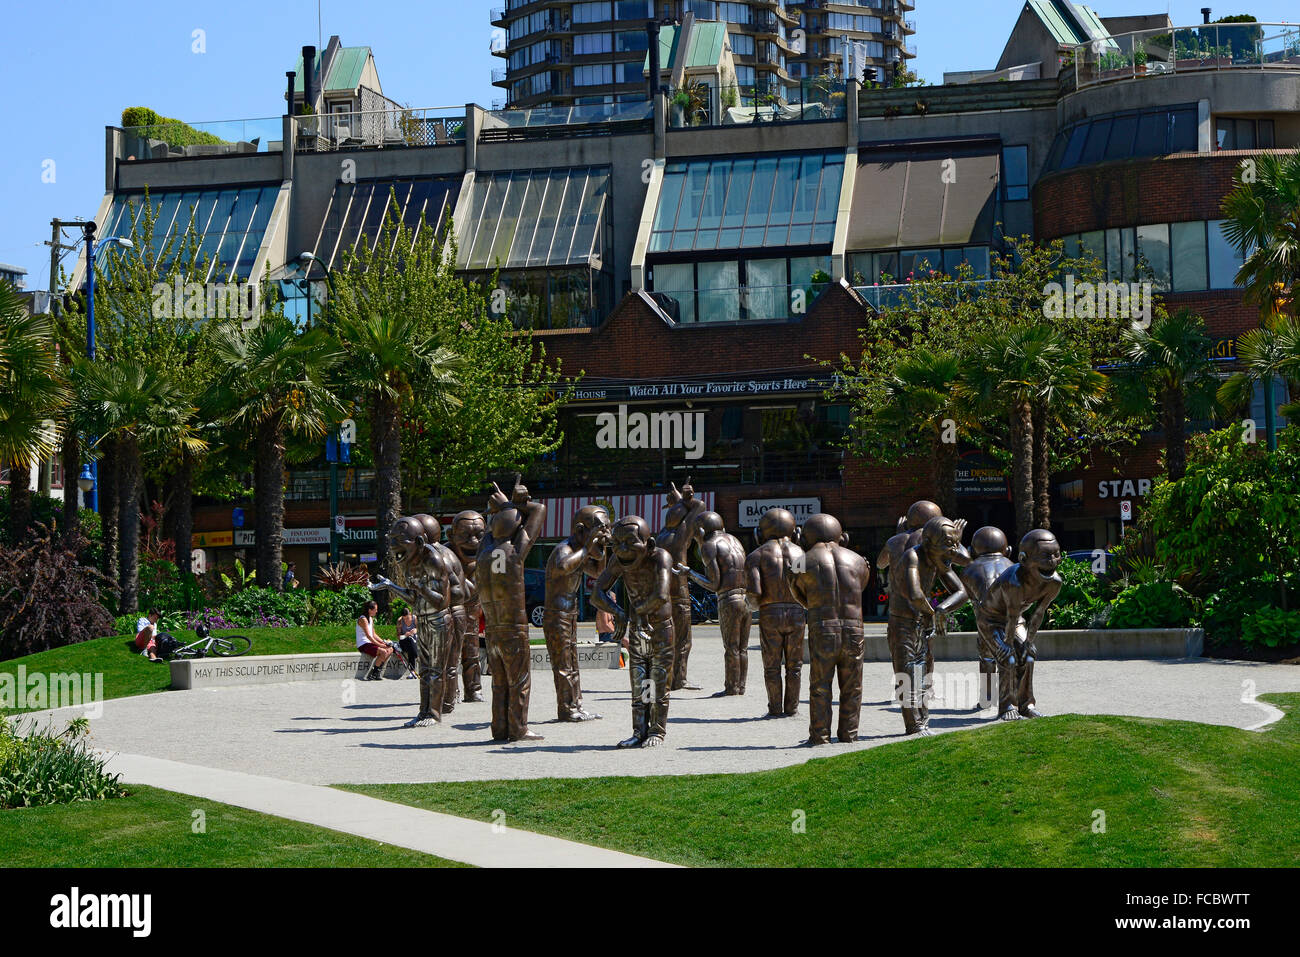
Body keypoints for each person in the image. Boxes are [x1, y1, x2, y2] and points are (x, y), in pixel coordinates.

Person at [356, 600, 393, 680]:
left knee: (390, 649)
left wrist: (384, 642)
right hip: (363, 644)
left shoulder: (370, 619)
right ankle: (374, 673)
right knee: (383, 651)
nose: (377, 611)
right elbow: (369, 636)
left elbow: (374, 634)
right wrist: (380, 645)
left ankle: (378, 671)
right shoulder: (363, 619)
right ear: (370, 610)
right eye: (375, 609)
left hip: (370, 643)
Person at [396, 607, 420, 680]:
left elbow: (420, 629)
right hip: (404, 641)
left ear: (410, 614)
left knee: (411, 645)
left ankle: (412, 671)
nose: (405, 620)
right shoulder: (400, 621)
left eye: (407, 618)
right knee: (410, 642)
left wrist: (416, 630)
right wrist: (405, 635)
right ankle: (416, 656)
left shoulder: (414, 618)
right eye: (404, 618)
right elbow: (398, 636)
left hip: (414, 640)